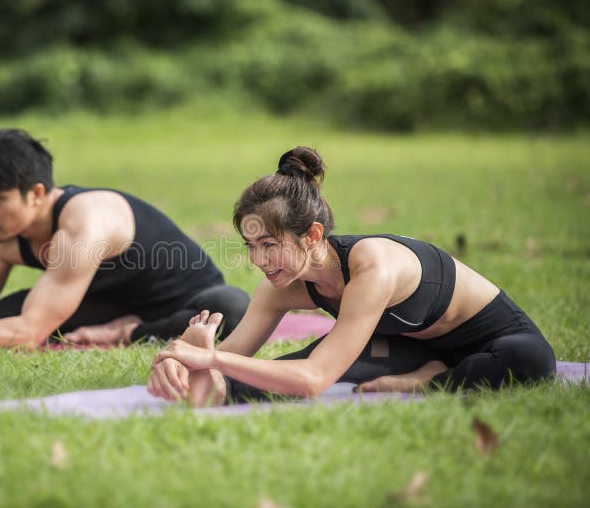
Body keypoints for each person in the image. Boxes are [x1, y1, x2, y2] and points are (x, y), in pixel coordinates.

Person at [148, 146, 556, 406]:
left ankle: (431, 381)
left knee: (530, 360)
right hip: (406, 347)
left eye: (269, 245)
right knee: (292, 368)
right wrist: (179, 362)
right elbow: (233, 357)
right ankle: (217, 398)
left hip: (493, 342)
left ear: (312, 235)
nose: (259, 260)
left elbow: (313, 381)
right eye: (250, 246)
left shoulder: (373, 267)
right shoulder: (280, 287)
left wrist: (211, 357)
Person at [0, 129, 249, 352]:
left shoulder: (85, 223)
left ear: (36, 194)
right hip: (104, 303)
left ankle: (126, 332)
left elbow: (30, 333)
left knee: (233, 307)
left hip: (183, 304)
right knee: (4, 312)